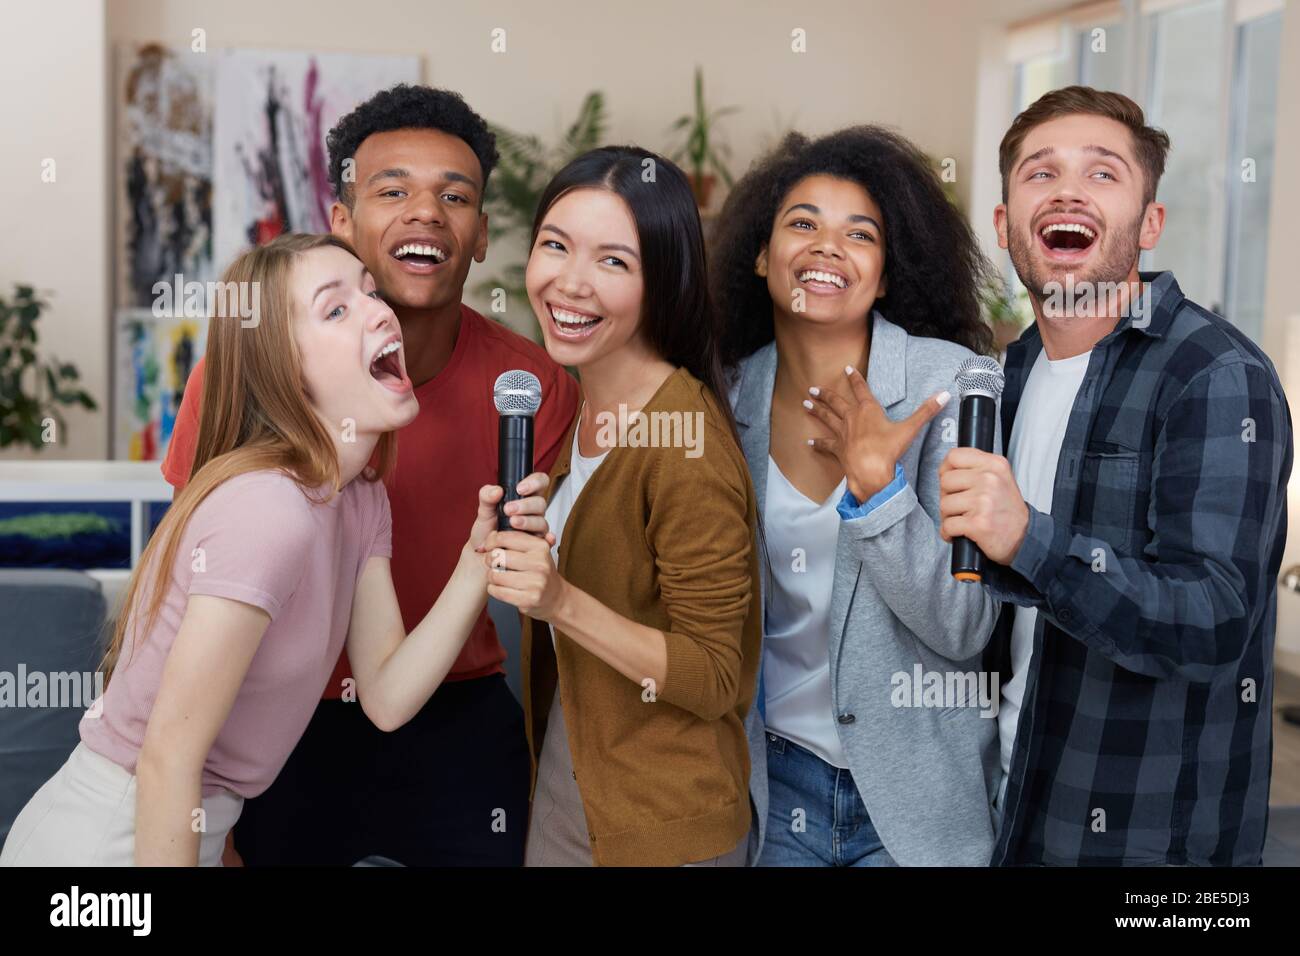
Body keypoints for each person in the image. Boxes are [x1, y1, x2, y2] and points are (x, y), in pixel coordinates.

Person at [0, 234, 552, 866]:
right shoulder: (267, 510)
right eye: (336, 309)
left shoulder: (357, 497)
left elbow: (387, 696)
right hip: (109, 842)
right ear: (284, 366)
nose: (380, 311)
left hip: (178, 830)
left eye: (369, 292)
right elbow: (168, 759)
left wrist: (478, 559)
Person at [161, 85, 580, 867]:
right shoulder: (244, 374)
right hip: (277, 720)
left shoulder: (533, 387)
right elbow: (181, 588)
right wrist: (198, 811)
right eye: (393, 190)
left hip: (453, 709)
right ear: (343, 224)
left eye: (455, 197)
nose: (426, 211)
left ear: (481, 234)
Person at [939, 86, 1292, 866]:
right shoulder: (1012, 370)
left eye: (1103, 174)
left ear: (1150, 222)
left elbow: (1213, 621)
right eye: (1040, 173)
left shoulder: (1214, 375)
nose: (1067, 189)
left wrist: (1029, 538)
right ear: (1004, 226)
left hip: (1150, 844)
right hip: (1019, 801)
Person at [712, 127, 1001, 866]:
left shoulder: (951, 385)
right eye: (802, 222)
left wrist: (878, 495)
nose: (827, 246)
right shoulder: (725, 396)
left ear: (885, 271)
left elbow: (964, 625)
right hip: (774, 787)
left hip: (916, 801)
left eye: (859, 234)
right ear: (759, 254)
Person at [482, 146, 761, 866]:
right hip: (574, 785)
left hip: (663, 822)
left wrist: (559, 599)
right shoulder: (584, 404)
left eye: (613, 261)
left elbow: (713, 676)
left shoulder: (684, 442)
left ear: (662, 283)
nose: (569, 283)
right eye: (555, 246)